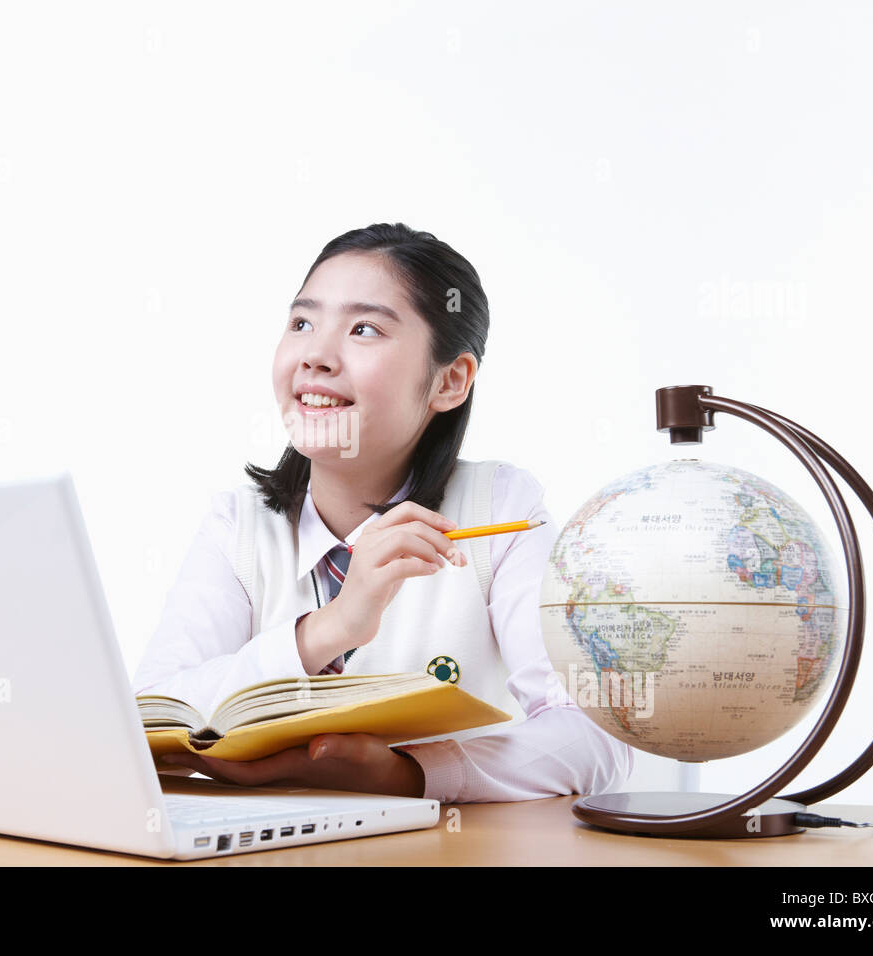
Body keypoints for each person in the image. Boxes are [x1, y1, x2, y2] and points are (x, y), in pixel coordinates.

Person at [131, 222, 633, 802]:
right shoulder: (237, 526)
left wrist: (410, 775)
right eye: (302, 323)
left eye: (363, 329)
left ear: (449, 381)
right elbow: (151, 716)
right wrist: (329, 629)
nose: (315, 356)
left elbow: (596, 737)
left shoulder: (501, 509)